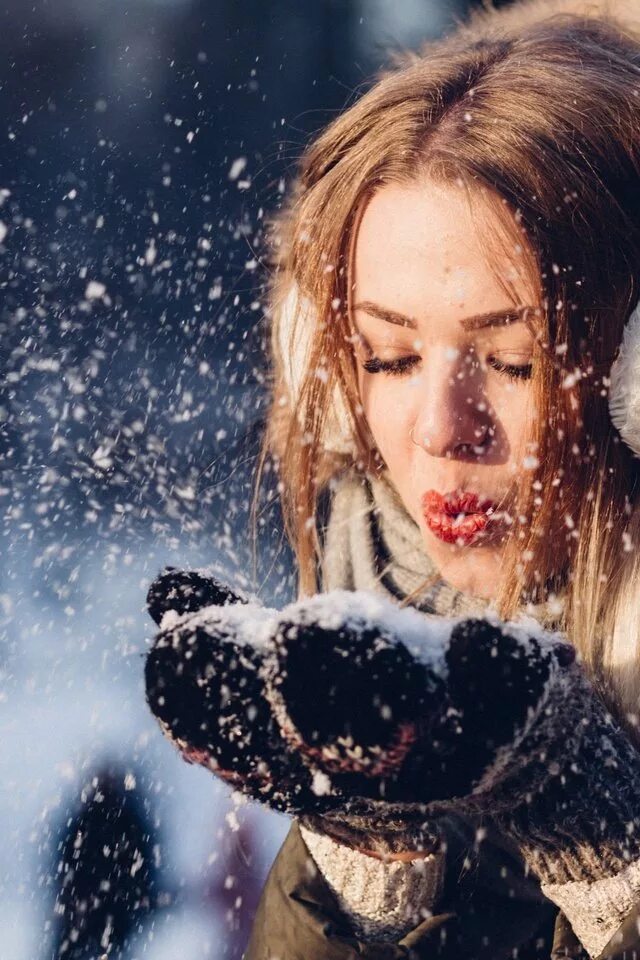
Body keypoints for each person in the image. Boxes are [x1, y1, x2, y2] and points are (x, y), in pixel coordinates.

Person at [143, 0, 640, 957]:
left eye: (513, 359)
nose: (443, 433)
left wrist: (610, 850)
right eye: (388, 358)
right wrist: (358, 865)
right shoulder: (383, 690)